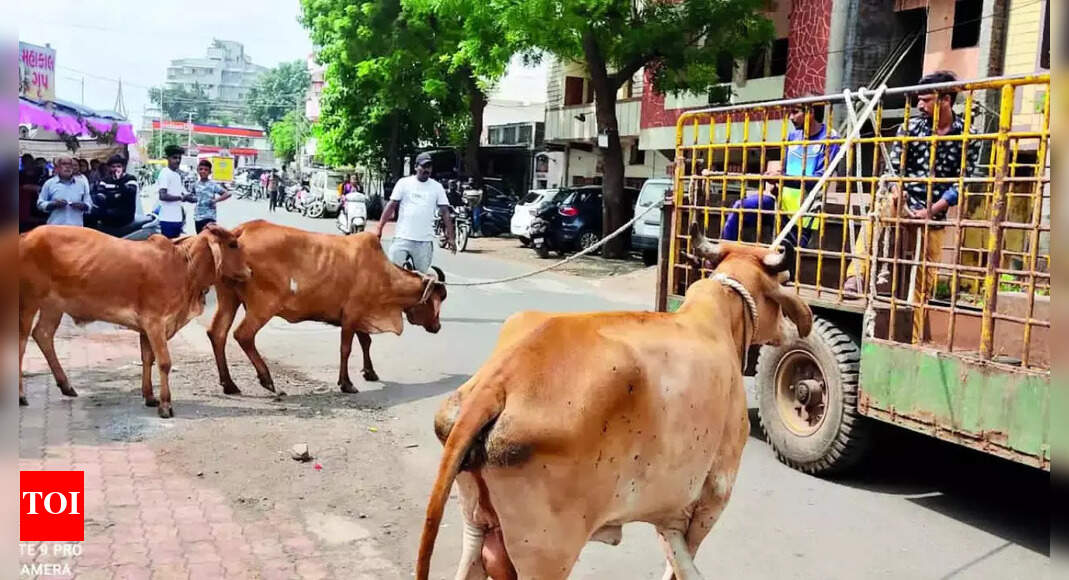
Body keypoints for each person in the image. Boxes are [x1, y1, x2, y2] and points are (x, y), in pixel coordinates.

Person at [842, 70, 981, 338]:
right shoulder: (911, 128)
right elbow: (894, 167)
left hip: (934, 211)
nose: (919, 105)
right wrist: (899, 193)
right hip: (902, 200)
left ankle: (913, 341)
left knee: (923, 283)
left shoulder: (968, 135)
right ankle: (856, 275)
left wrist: (933, 210)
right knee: (878, 213)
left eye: (926, 100)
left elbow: (965, 180)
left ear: (946, 101)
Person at [722, 96, 840, 247]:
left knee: (789, 258)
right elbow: (784, 171)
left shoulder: (831, 138)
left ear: (810, 112)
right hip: (779, 205)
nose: (790, 117)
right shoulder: (792, 136)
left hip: (804, 216)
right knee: (740, 207)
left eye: (795, 112)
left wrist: (782, 179)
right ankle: (720, 254)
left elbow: (820, 181)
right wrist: (775, 181)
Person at [369, 152, 455, 272]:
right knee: (393, 273)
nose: (426, 170)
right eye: (423, 166)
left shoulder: (437, 187)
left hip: (424, 242)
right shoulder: (404, 183)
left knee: (420, 279)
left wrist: (451, 237)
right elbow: (391, 205)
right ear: (416, 167)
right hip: (402, 238)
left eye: (429, 167)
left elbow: (445, 212)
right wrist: (379, 228)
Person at [36, 155, 93, 226]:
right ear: (57, 168)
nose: (68, 167)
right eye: (64, 164)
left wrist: (83, 206)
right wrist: (53, 205)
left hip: (76, 228)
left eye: (70, 164)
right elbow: (40, 203)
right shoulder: (49, 183)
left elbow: (89, 204)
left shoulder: (82, 184)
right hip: (55, 227)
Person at [154, 144, 196, 239]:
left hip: (177, 219)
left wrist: (189, 198)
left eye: (179, 158)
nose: (177, 160)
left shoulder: (177, 175)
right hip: (167, 219)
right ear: (168, 158)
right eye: (174, 158)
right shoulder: (165, 173)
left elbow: (180, 194)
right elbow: (163, 196)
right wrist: (181, 198)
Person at [90, 154, 139, 232]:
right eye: (113, 166)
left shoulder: (130, 178)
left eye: (119, 166)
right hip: (108, 216)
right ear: (109, 168)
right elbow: (100, 195)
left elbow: (130, 193)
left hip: (125, 218)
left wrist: (119, 182)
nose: (116, 169)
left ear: (123, 167)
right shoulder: (105, 180)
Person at [192, 159, 232, 233]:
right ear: (197, 170)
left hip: (210, 217)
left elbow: (228, 194)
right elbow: (192, 196)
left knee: (210, 238)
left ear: (210, 172)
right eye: (201, 169)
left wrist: (215, 200)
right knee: (200, 239)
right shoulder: (195, 185)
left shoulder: (213, 185)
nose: (203, 171)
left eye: (206, 170)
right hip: (198, 217)